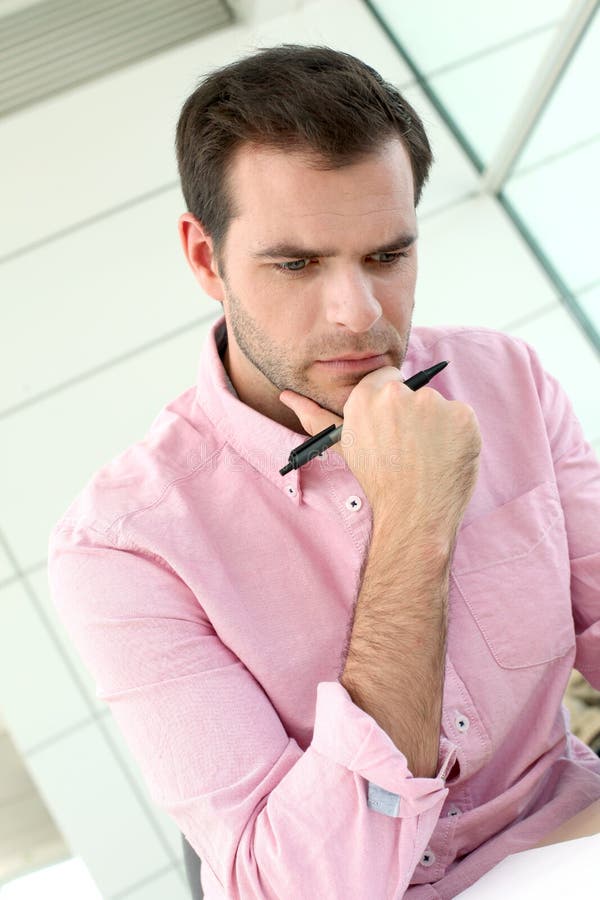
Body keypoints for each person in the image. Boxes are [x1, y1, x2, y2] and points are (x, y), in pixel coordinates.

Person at [47, 45, 600, 899]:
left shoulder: (509, 381)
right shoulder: (121, 549)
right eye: (297, 264)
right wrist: (417, 521)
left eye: (387, 256)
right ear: (205, 259)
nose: (360, 315)